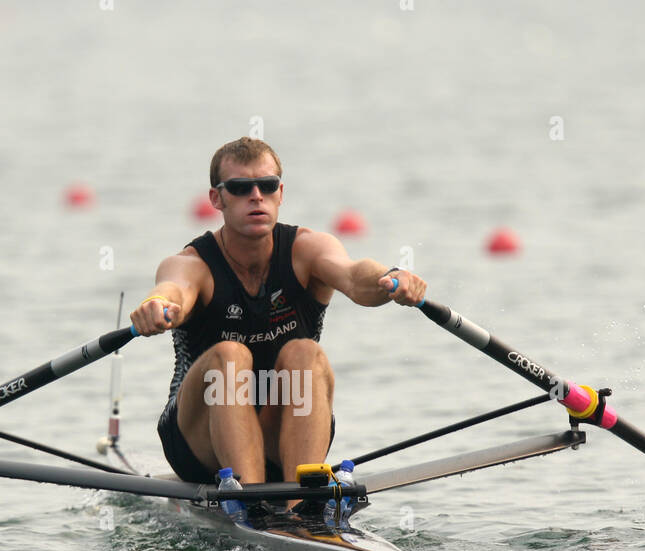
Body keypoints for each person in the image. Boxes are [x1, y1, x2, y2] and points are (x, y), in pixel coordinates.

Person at [129, 137, 427, 507]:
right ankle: (253, 504)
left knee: (306, 352)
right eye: (239, 188)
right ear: (217, 199)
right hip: (198, 442)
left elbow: (353, 275)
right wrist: (157, 304)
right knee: (229, 355)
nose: (256, 196)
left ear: (280, 193)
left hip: (279, 430)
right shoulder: (194, 263)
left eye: (267, 186)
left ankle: (300, 505)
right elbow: (173, 289)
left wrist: (391, 277)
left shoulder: (306, 250)